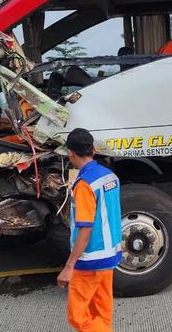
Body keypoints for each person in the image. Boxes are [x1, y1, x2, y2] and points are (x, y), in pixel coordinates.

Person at [57, 128, 122, 332]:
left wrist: (69, 266)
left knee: (78, 317)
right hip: (110, 255)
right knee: (101, 311)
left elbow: (85, 228)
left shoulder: (84, 184)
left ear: (70, 153)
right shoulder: (109, 176)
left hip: (90, 259)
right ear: (93, 149)